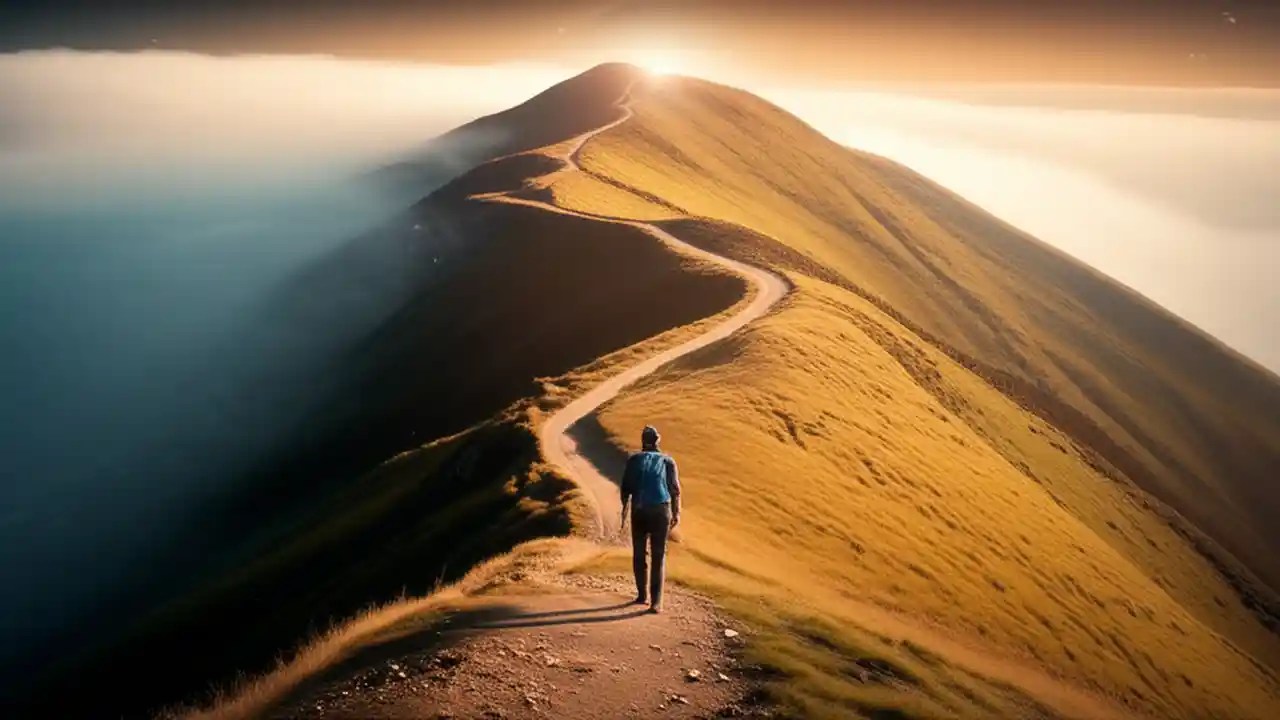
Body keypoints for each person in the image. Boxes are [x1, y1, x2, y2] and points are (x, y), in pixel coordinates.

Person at [620, 424, 681, 613]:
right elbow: (675, 490)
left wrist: (624, 509)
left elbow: (625, 488)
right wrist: (676, 512)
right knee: (658, 555)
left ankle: (641, 595)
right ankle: (656, 603)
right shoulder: (667, 461)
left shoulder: (634, 460)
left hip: (639, 509)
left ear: (643, 441)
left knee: (639, 554)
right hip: (661, 509)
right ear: (658, 441)